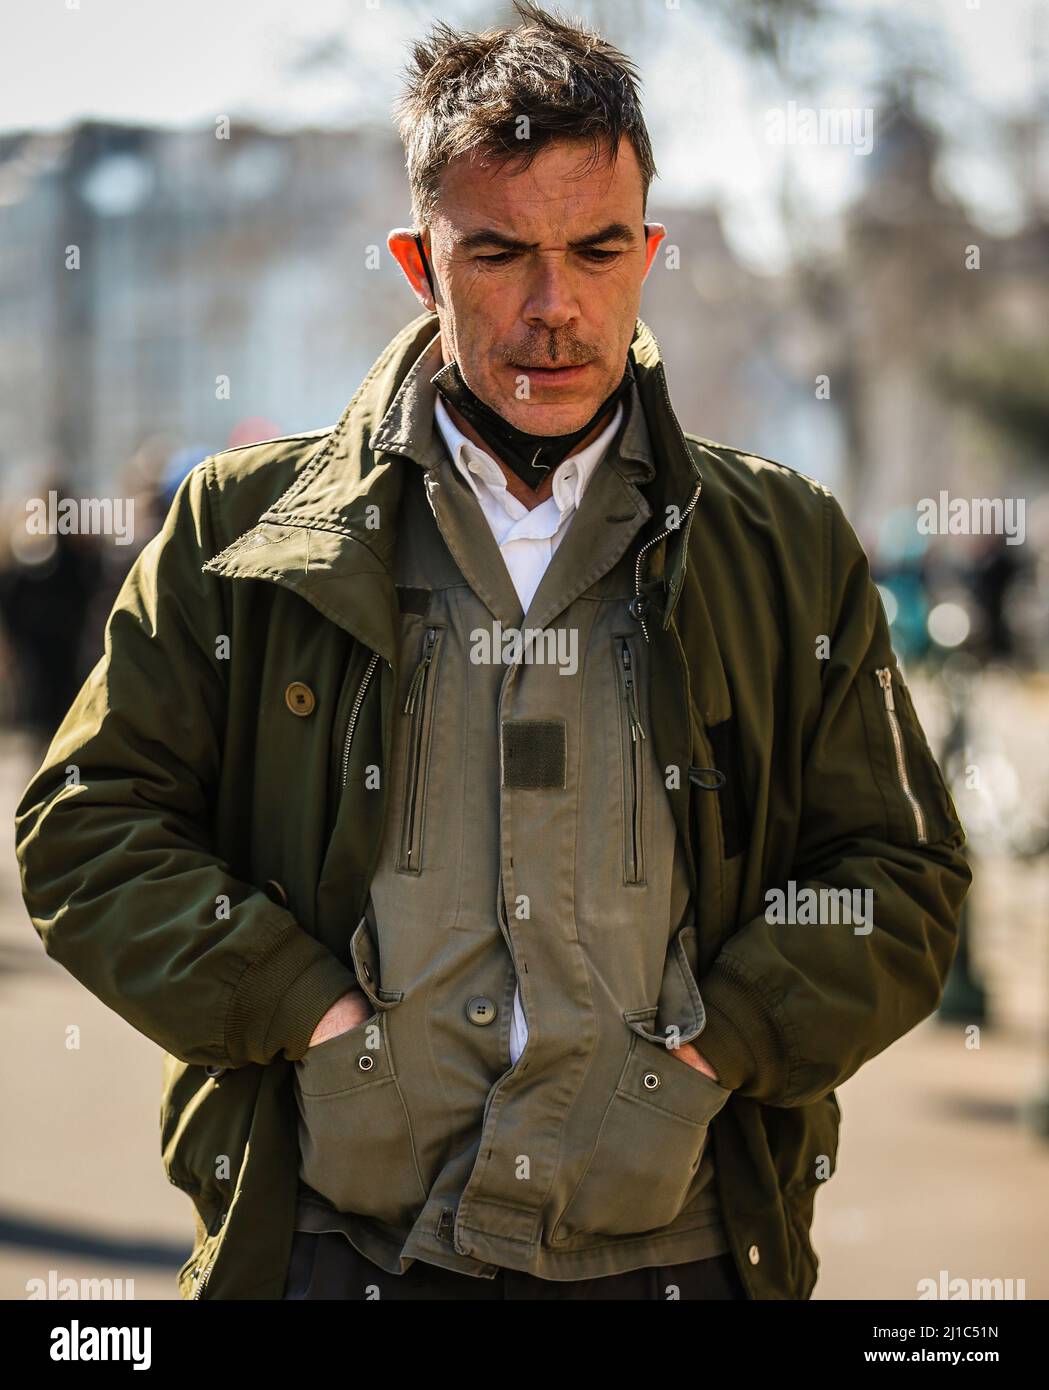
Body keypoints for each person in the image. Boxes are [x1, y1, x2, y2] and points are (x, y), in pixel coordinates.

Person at [14, 0, 970, 1302]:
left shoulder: (780, 543)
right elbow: (86, 824)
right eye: (498, 252)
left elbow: (899, 872)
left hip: (676, 1255)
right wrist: (305, 1013)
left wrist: (715, 1048)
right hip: (334, 1252)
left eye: (596, 248)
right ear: (419, 262)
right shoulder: (237, 533)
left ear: (650, 250)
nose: (553, 306)